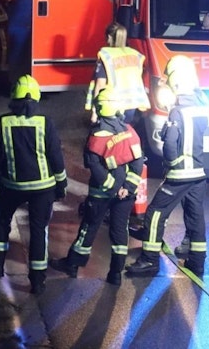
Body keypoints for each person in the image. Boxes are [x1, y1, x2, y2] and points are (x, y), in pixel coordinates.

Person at [126, 55, 209, 277]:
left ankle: (149, 260)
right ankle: (197, 262)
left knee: (155, 213)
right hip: (201, 173)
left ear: (176, 82)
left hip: (180, 174)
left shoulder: (178, 112)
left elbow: (170, 145)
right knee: (195, 215)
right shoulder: (206, 108)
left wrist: (172, 165)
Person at [52, 87, 145, 286]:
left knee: (89, 227)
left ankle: (72, 265)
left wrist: (112, 187)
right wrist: (127, 187)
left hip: (101, 193)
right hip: (126, 194)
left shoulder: (96, 135)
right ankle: (115, 274)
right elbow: (138, 162)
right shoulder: (129, 131)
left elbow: (93, 165)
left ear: (100, 108)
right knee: (120, 231)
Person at [0, 74, 68, 296]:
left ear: (14, 98)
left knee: (1, 223)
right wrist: (61, 184)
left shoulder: (3, 123)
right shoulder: (45, 123)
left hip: (12, 186)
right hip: (43, 188)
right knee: (39, 231)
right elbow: (56, 157)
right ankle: (38, 281)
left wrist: (0, 177)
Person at [85, 22, 150, 125]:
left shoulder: (107, 56)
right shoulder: (135, 55)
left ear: (109, 37)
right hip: (131, 105)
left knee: (110, 132)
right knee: (125, 131)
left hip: (111, 105)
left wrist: (95, 111)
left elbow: (100, 85)